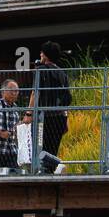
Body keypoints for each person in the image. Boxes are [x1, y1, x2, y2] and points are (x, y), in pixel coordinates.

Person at [29, 41, 72, 170]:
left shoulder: (40, 70)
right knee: (52, 150)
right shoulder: (62, 73)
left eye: (42, 52)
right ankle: (50, 171)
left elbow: (35, 93)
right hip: (59, 118)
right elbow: (66, 97)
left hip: (44, 118)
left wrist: (28, 113)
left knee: (40, 146)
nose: (40, 54)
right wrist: (66, 119)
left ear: (46, 55)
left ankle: (40, 172)